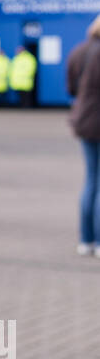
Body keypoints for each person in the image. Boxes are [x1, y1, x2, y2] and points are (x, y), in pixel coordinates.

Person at [66, 15, 100, 259]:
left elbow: (71, 88)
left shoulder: (79, 51)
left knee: (91, 179)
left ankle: (85, 240)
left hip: (84, 121)